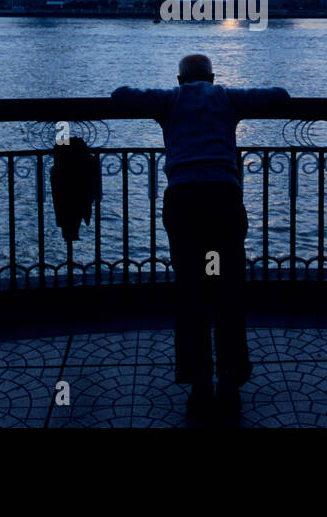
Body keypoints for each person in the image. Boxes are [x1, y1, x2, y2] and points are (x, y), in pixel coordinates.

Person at [111, 55, 289, 425]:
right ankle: (230, 374)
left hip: (184, 200)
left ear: (179, 78)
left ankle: (199, 377)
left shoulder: (169, 99)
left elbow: (120, 95)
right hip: (223, 200)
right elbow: (279, 96)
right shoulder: (226, 96)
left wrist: (168, 94)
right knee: (227, 288)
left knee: (191, 289)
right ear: (212, 76)